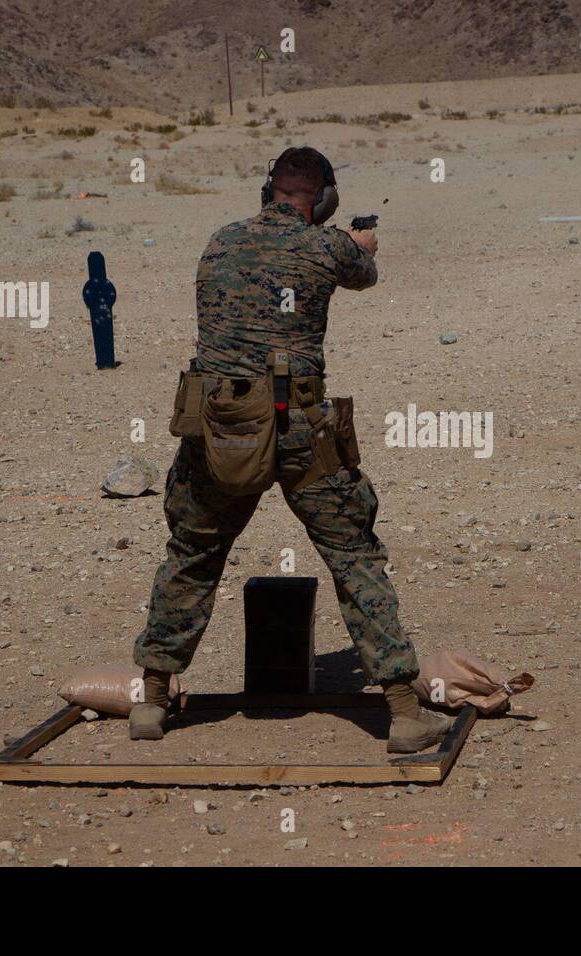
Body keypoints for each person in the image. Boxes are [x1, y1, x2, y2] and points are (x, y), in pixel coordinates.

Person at [129, 147, 452, 754]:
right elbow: (363, 273)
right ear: (323, 198)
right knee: (354, 556)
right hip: (300, 426)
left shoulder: (220, 242)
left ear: (267, 189)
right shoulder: (327, 248)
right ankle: (404, 715)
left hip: (222, 425)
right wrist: (359, 244)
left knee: (193, 552)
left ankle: (151, 699)